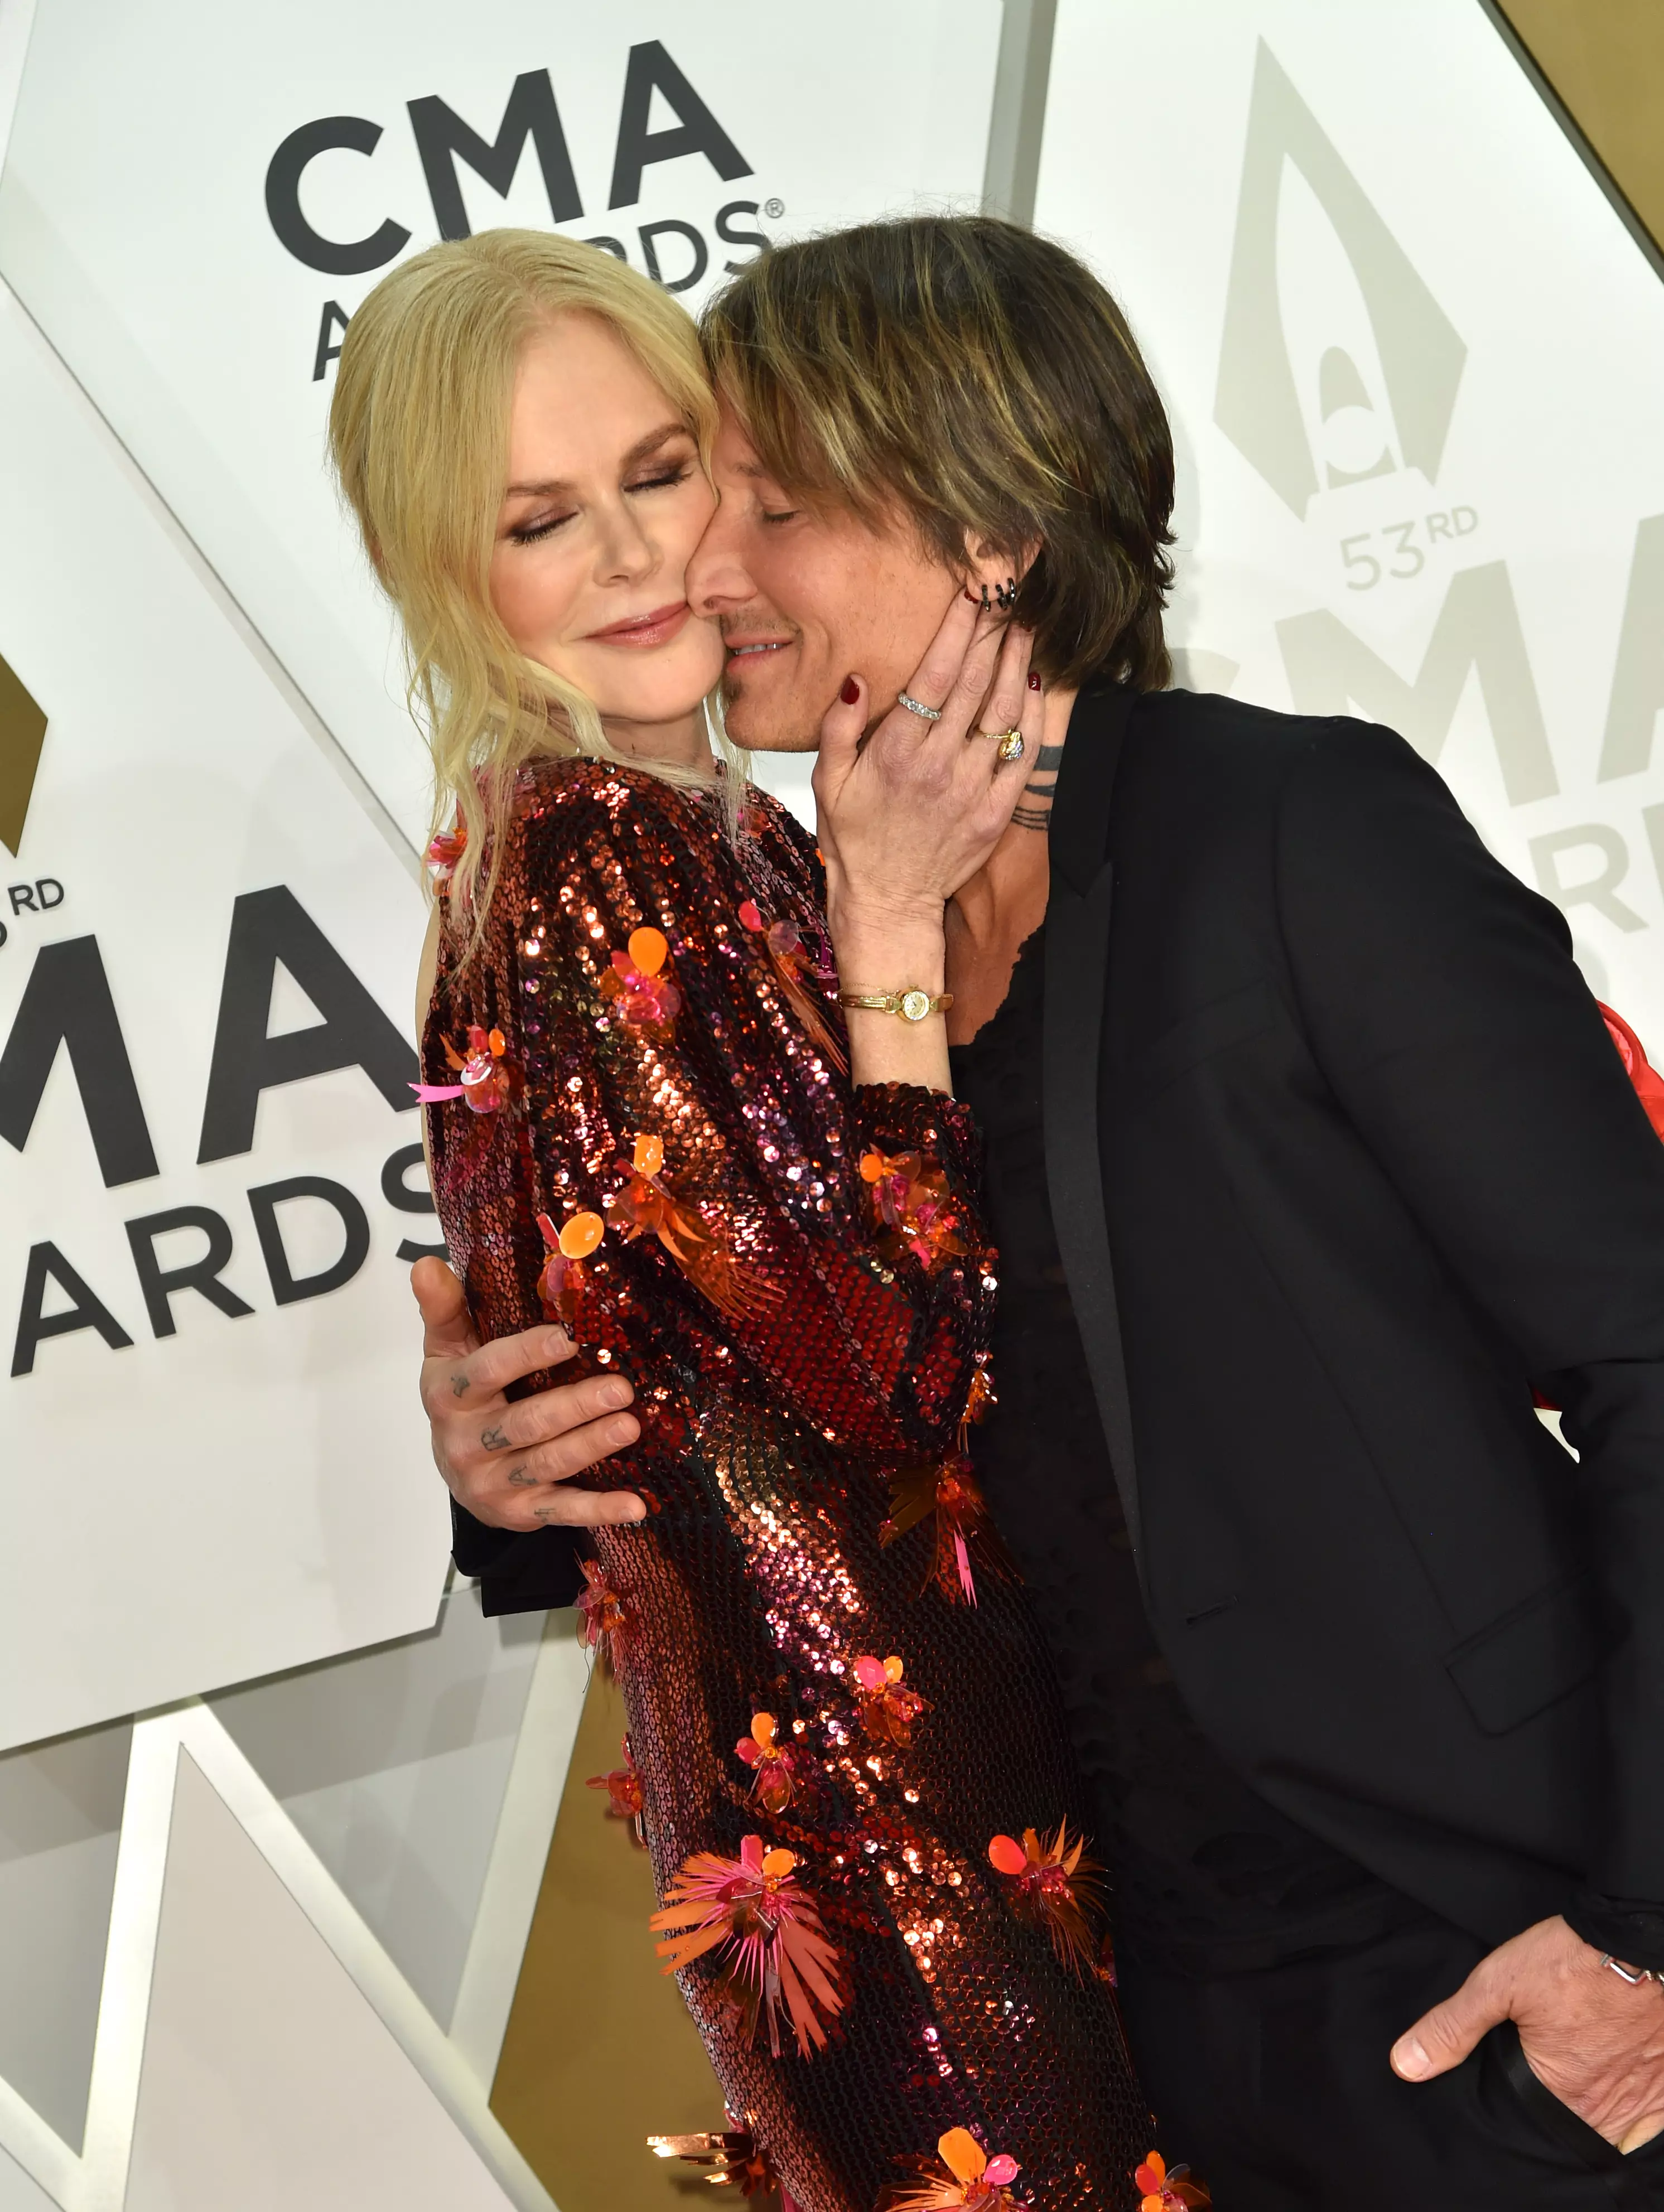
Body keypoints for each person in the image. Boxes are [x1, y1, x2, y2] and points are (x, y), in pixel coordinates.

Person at [418, 215, 1664, 2207]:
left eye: (779, 509)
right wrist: (514, 1480)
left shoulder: (1286, 832)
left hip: (1485, 1965)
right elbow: (820, 1442)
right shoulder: (815, 952)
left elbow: (1645, 1355)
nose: (703, 570)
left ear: (990, 535)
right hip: (1137, 2031)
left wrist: (1636, 1929)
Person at [330, 228, 1153, 2212]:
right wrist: (884, 935)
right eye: (541, 518)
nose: (626, 558)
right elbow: (895, 1357)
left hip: (929, 1817)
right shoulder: (615, 856)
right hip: (914, 1864)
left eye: (661, 472)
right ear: (454, 571)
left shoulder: (675, 832)